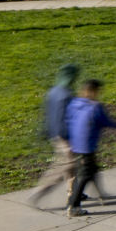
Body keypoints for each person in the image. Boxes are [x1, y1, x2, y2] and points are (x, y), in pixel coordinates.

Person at [64, 78, 116, 216]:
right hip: (87, 146)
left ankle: (100, 195)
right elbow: (105, 121)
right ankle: (73, 206)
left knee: (91, 170)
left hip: (76, 144)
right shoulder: (95, 107)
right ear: (94, 91)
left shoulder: (74, 103)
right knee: (84, 176)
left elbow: (68, 120)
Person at [30, 64, 78, 208]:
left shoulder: (53, 92)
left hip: (55, 135)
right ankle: (42, 191)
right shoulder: (66, 94)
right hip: (65, 137)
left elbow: (49, 115)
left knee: (71, 167)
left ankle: (74, 193)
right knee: (67, 165)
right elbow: (67, 118)